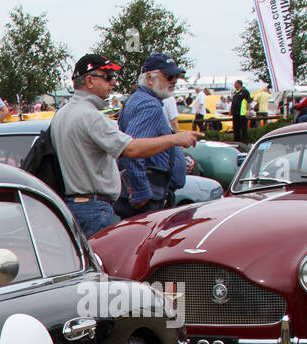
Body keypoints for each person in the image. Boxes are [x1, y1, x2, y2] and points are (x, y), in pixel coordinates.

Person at [51, 54, 200, 237]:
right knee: (113, 263)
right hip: (94, 209)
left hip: (79, 205)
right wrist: (175, 139)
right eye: (108, 77)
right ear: (90, 80)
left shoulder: (64, 112)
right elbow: (130, 149)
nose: (113, 82)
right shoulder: (90, 116)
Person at [116, 54, 190, 218]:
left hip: (152, 189)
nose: (174, 81)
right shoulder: (149, 105)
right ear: (149, 78)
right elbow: (132, 149)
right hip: (151, 195)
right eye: (169, 76)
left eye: (176, 76)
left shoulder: (137, 100)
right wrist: (140, 190)